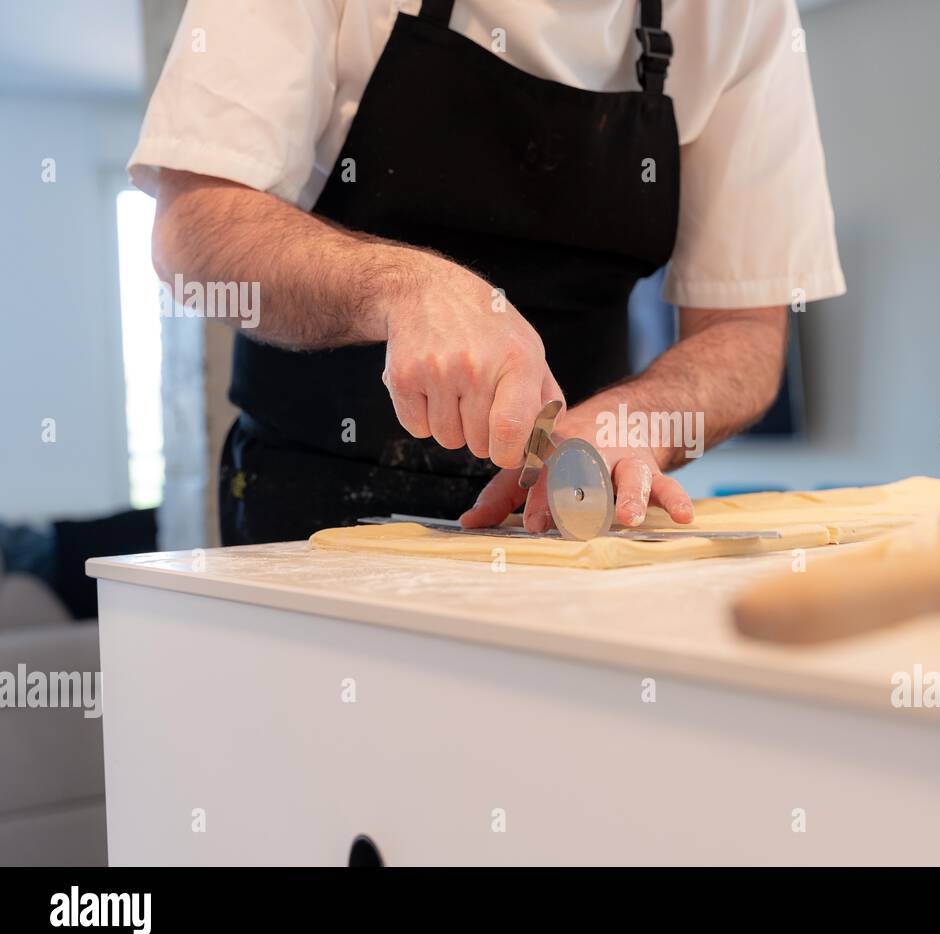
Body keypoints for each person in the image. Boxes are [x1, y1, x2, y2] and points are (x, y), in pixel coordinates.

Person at [131, 0, 844, 544]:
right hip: (311, 511)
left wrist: (644, 417)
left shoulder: (743, 14)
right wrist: (403, 289)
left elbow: (747, 329)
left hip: (568, 526)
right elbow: (194, 224)